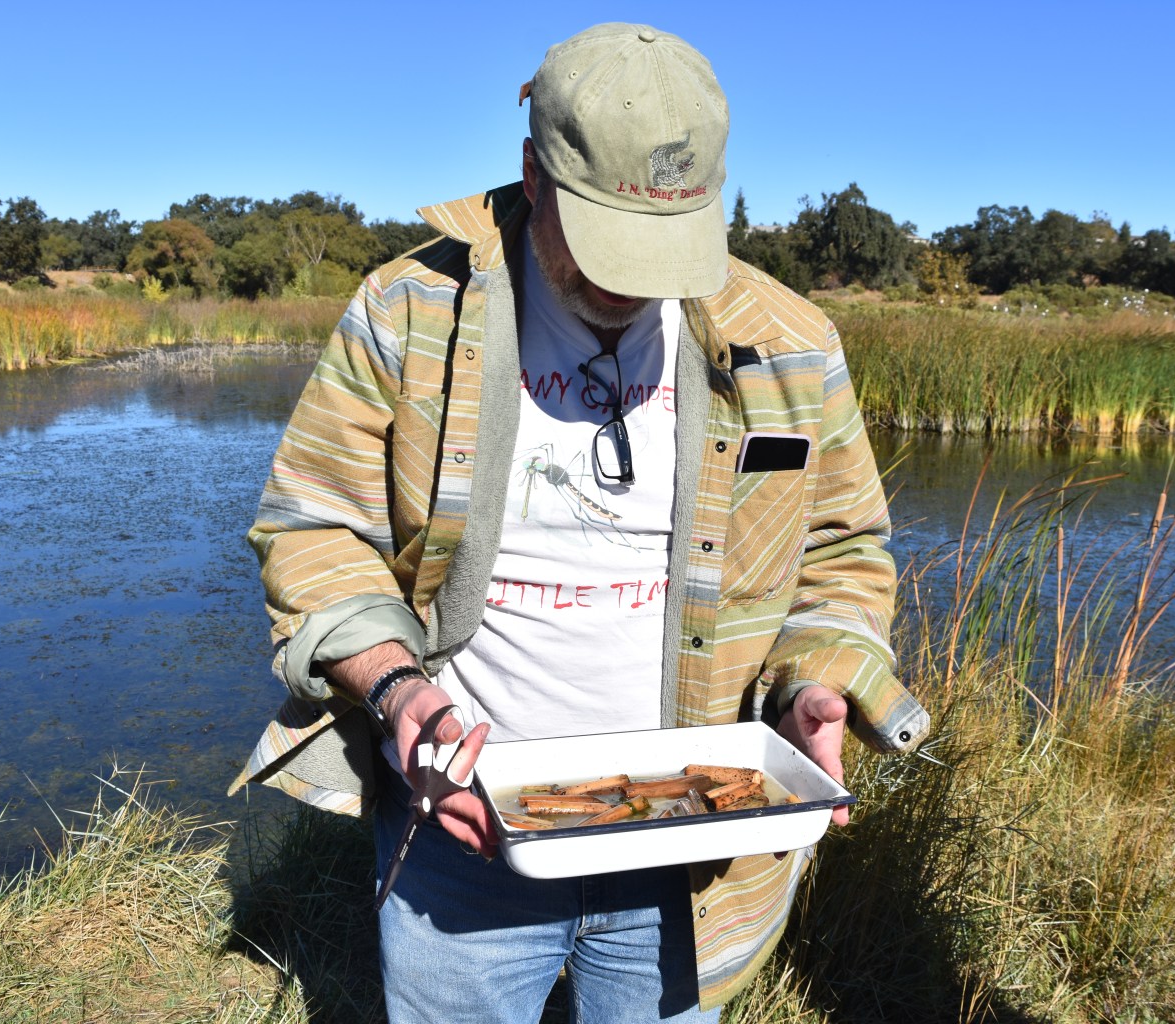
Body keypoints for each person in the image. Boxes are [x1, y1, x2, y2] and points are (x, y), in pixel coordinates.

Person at [231, 22, 927, 1022]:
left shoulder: (791, 345)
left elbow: (843, 550)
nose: (633, 282)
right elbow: (313, 528)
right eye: (606, 242)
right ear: (531, 169)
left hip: (696, 833)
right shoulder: (408, 314)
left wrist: (819, 679)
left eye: (665, 249)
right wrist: (398, 696)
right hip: (461, 826)